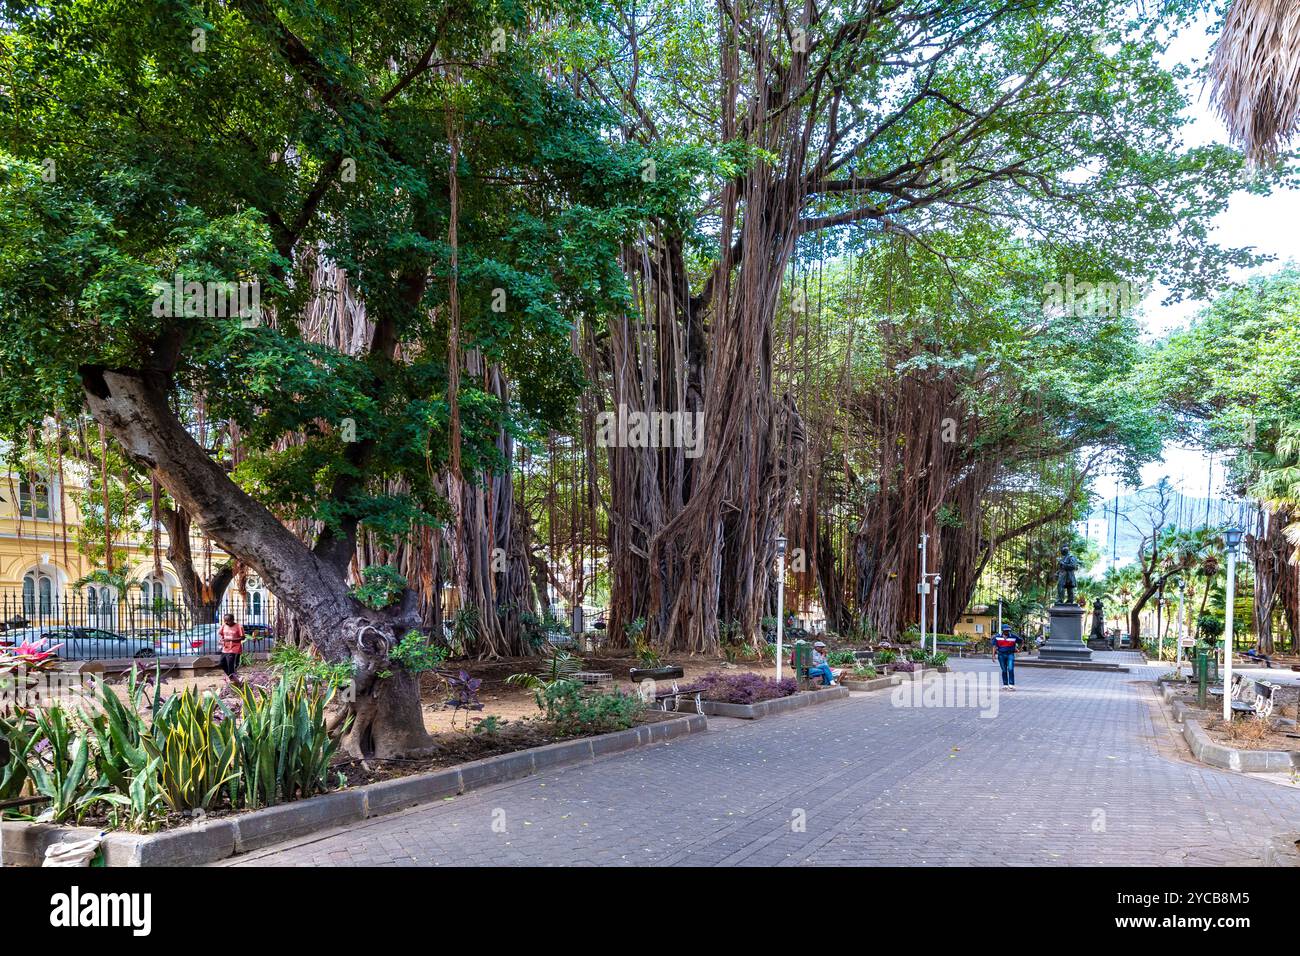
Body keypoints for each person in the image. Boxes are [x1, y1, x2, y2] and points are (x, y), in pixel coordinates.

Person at [992, 624, 1022, 690]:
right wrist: (993, 656)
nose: (1007, 632)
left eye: (1008, 630)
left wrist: (1019, 649)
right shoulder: (997, 637)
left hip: (1010, 654)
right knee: (1004, 670)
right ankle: (1005, 684)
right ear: (1002, 630)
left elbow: (1021, 641)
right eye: (1005, 630)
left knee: (1010, 669)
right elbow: (994, 646)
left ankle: (1011, 684)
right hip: (1001, 655)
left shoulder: (1013, 636)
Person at [218, 613, 245, 679]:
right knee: (221, 663)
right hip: (225, 648)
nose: (226, 622)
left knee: (230, 664)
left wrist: (231, 639)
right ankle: (233, 677)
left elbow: (243, 637)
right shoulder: (224, 626)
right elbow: (221, 634)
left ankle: (233, 679)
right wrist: (221, 640)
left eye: (228, 621)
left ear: (233, 620)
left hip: (234, 648)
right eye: (225, 621)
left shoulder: (238, 626)